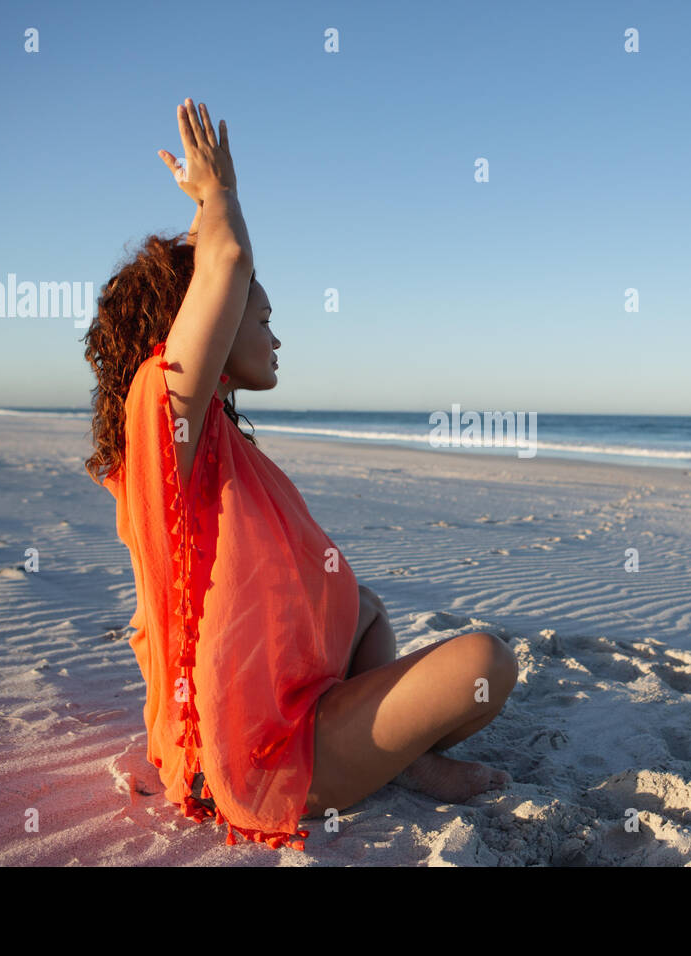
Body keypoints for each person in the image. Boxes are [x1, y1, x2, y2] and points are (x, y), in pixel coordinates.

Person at [82, 97, 516, 849]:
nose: (276, 336)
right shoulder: (164, 419)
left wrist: (198, 222)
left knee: (370, 610)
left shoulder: (206, 430)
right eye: (262, 319)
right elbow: (223, 266)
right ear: (207, 328)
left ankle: (387, 755)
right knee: (486, 662)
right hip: (255, 758)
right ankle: (391, 762)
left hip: (299, 706)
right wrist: (219, 196)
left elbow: (205, 273)